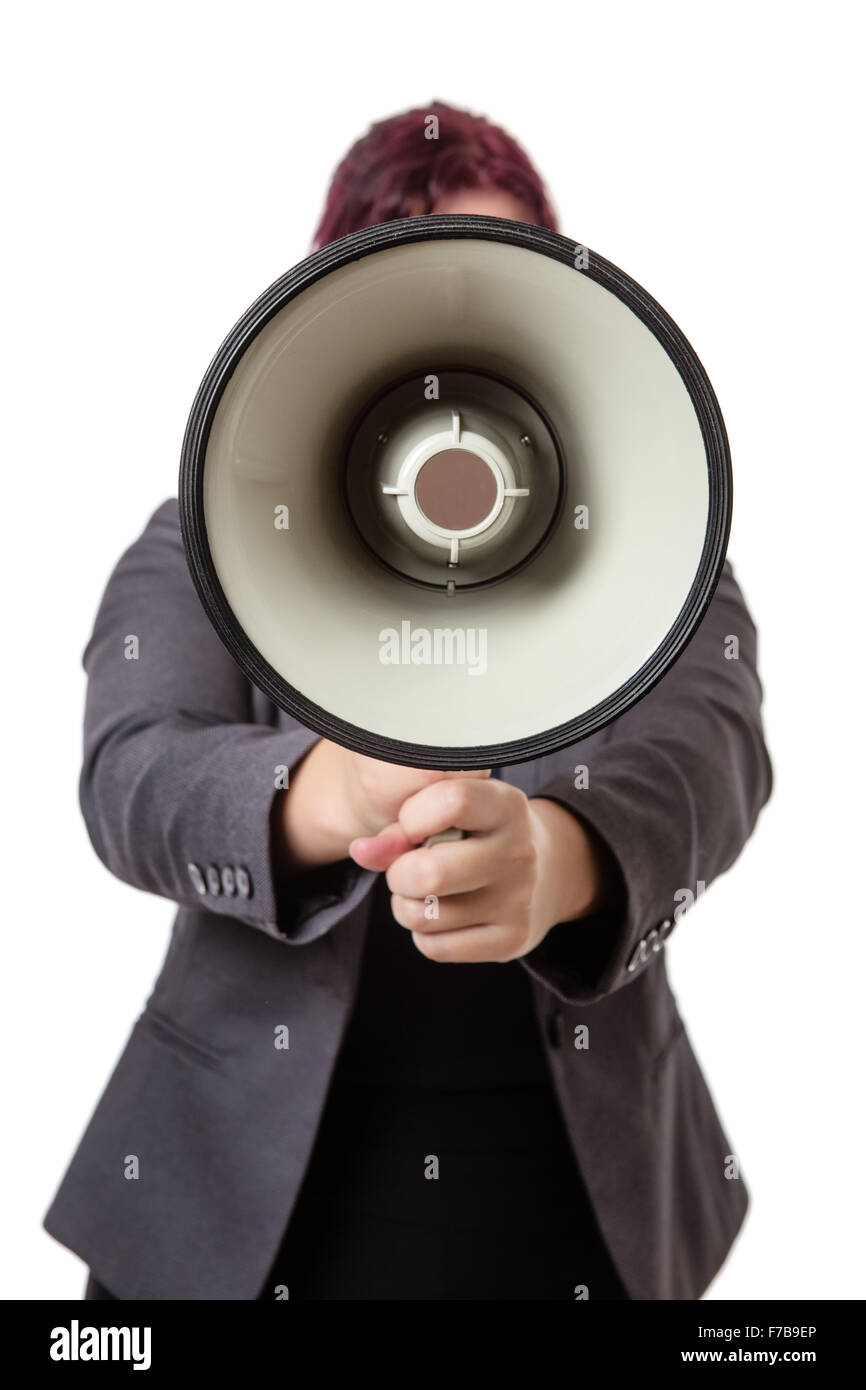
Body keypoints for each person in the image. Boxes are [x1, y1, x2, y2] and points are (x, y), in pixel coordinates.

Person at [43, 101, 773, 1301]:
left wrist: (562, 858)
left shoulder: (659, 542)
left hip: (571, 1196)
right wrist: (319, 796)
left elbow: (710, 746)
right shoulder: (200, 543)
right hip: (236, 1201)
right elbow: (132, 771)